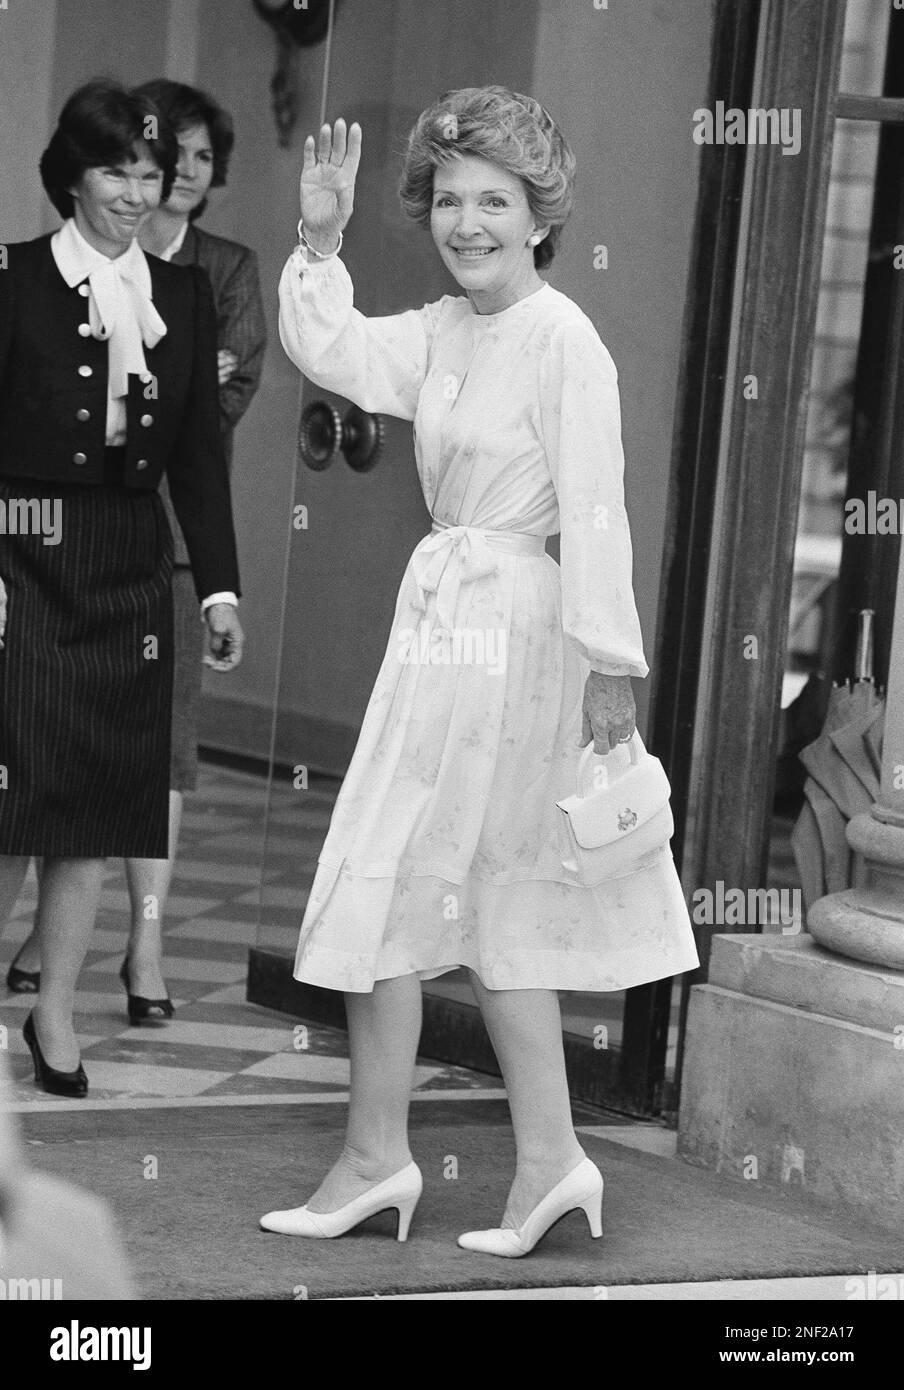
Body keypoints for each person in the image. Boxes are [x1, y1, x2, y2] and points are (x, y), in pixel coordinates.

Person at [261, 87, 698, 1256]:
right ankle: (546, 1160)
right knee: (485, 894)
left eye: (494, 201)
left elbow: (596, 508)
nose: (468, 223)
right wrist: (318, 241)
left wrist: (611, 665)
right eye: (450, 199)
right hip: (446, 622)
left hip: (514, 633)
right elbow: (336, 349)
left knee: (388, 873)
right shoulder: (444, 329)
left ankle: (380, 1159)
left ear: (538, 216)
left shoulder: (564, 340)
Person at [0, 80, 243, 1095]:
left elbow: (199, 459)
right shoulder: (13, 278)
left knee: (95, 810)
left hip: (129, 557)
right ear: (72, 176)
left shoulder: (181, 295)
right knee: (12, 800)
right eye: (117, 173)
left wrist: (218, 591)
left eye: (152, 174)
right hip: (23, 546)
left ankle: (54, 1013)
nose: (139, 193)